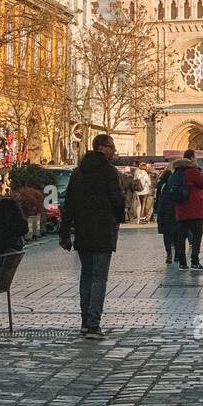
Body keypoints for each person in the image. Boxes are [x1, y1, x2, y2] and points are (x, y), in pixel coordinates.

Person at [58, 134, 126, 338]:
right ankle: (94, 324)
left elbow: (68, 204)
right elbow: (118, 200)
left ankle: (85, 321)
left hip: (83, 232)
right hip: (103, 231)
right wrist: (119, 217)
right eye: (111, 146)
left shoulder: (78, 172)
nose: (114, 150)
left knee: (86, 276)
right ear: (102, 148)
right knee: (99, 278)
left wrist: (64, 233)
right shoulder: (109, 172)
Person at [171, 150, 203, 270]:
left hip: (181, 210)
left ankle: (182, 263)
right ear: (192, 158)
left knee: (181, 237)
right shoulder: (193, 170)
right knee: (197, 236)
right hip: (194, 210)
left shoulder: (177, 171)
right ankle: (194, 261)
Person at [155, 163, 179, 263]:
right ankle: (177, 255)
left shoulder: (161, 184)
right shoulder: (174, 185)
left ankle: (169, 254)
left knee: (167, 234)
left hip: (163, 211)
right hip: (173, 211)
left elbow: (157, 199)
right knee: (176, 233)